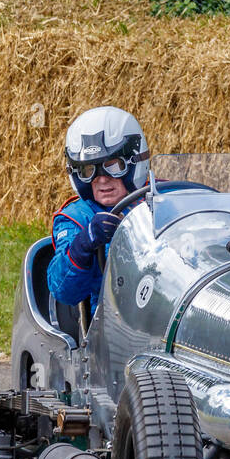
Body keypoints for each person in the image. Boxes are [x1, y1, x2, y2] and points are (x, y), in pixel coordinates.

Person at [47, 106, 150, 312]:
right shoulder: (75, 218)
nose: (102, 179)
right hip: (112, 322)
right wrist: (84, 244)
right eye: (89, 170)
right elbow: (63, 291)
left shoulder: (162, 196)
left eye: (113, 165)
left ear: (134, 164)